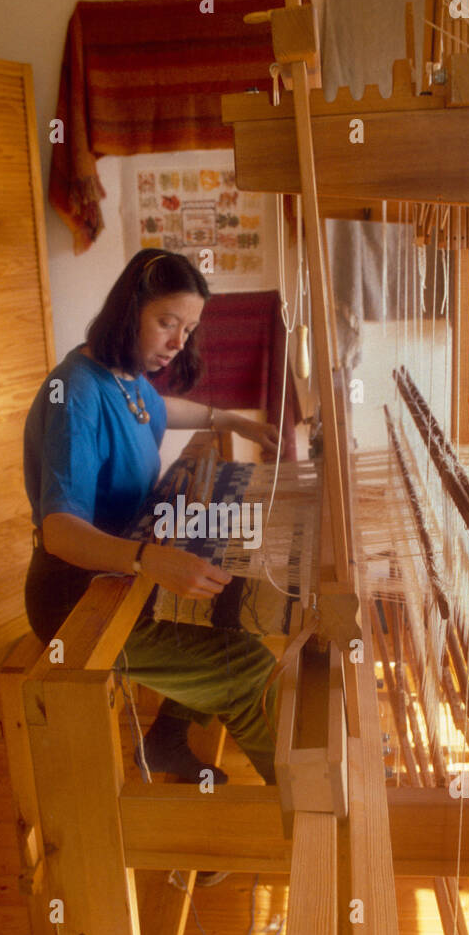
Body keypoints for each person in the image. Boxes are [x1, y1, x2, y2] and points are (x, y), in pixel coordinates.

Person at [23, 247, 281, 788]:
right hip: (78, 601)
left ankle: (167, 736)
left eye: (188, 329)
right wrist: (147, 559)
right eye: (167, 322)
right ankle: (300, 809)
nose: (177, 342)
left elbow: (159, 410)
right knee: (248, 669)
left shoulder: (123, 376)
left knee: (229, 600)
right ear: (129, 308)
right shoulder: (76, 393)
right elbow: (59, 532)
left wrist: (234, 420)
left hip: (125, 575)